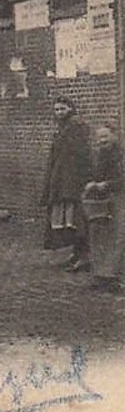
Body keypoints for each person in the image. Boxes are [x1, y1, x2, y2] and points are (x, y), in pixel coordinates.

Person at [40, 96, 93, 272]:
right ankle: (77, 254)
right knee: (69, 221)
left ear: (70, 108)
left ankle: (83, 257)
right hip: (61, 180)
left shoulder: (76, 127)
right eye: (56, 109)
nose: (59, 112)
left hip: (72, 182)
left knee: (77, 220)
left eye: (62, 109)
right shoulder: (62, 128)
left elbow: (82, 156)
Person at [86, 124, 123, 293]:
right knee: (98, 236)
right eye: (99, 138)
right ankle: (100, 275)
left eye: (105, 137)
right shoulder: (98, 155)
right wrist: (91, 183)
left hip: (118, 198)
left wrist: (107, 184)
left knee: (115, 237)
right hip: (100, 200)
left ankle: (113, 277)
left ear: (114, 136)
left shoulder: (120, 155)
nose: (102, 141)